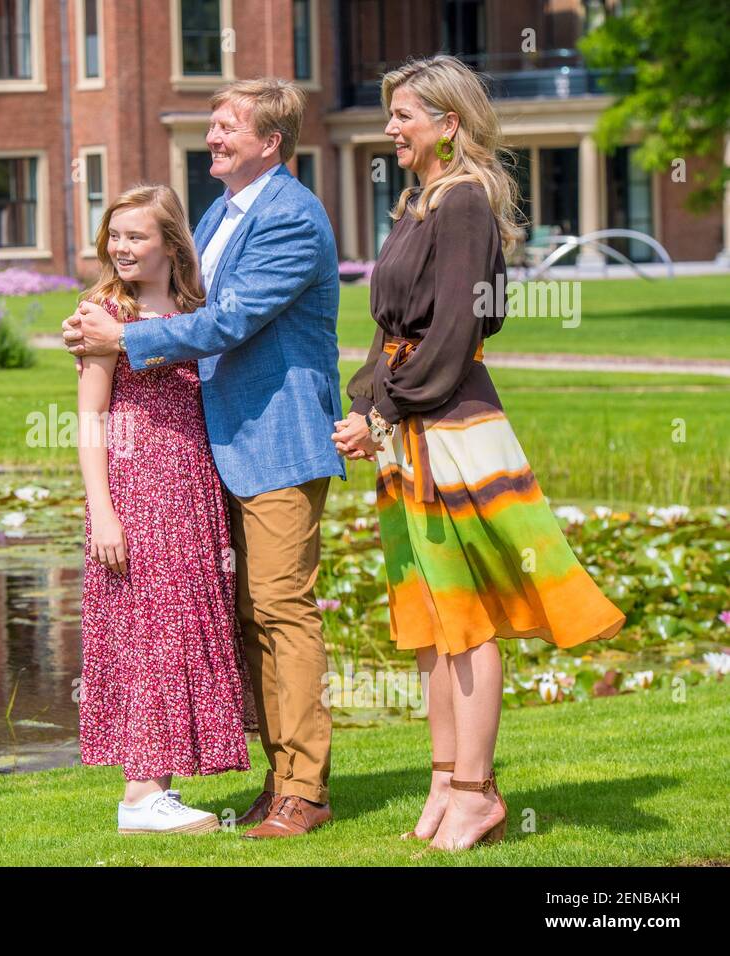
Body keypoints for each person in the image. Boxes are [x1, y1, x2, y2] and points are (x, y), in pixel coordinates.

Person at [332, 54, 626, 851]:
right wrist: (363, 404)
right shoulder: (419, 203)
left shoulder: (461, 204)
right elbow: (392, 330)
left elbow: (457, 332)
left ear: (448, 125)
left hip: (451, 426)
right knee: (432, 620)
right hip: (411, 424)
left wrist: (384, 410)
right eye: (390, 113)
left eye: (405, 116)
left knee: (467, 622)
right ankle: (443, 779)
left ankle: (476, 791)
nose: (391, 127)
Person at [66, 78, 345, 840]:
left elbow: (229, 320)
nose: (213, 137)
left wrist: (123, 339)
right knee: (247, 616)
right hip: (213, 450)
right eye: (213, 126)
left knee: (283, 611)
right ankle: (279, 779)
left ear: (270, 143)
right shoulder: (224, 212)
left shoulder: (289, 217)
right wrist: (113, 319)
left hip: (276, 441)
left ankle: (305, 790)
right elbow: (176, 299)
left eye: (227, 127)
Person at [76, 183, 254, 835]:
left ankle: (160, 787)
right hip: (135, 487)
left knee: (180, 629)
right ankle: (140, 794)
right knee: (148, 631)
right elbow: (90, 420)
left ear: (170, 244)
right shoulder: (103, 311)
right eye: (114, 235)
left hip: (193, 488)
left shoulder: (194, 307)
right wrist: (104, 512)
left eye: (136, 236)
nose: (121, 247)